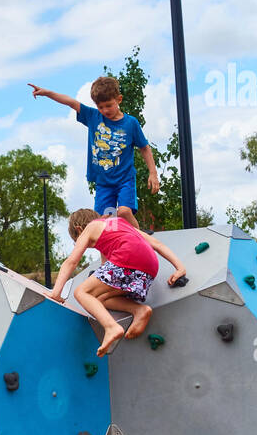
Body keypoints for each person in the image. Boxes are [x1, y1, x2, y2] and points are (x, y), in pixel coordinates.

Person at [49, 208, 187, 357]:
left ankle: (111, 327)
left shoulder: (91, 227)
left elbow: (71, 261)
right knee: (98, 300)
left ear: (79, 229)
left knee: (81, 292)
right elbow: (156, 243)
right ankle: (139, 310)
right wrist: (180, 268)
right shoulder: (119, 224)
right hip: (149, 267)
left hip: (127, 257)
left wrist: (56, 293)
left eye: (77, 240)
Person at [29, 76, 158, 231]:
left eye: (109, 105)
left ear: (119, 99)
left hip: (125, 179)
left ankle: (141, 240)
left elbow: (144, 148)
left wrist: (153, 173)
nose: (105, 111)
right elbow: (70, 102)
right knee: (103, 223)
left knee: (124, 211)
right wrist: (47, 93)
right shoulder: (93, 117)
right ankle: (106, 256)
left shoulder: (130, 123)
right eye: (100, 107)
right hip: (103, 183)